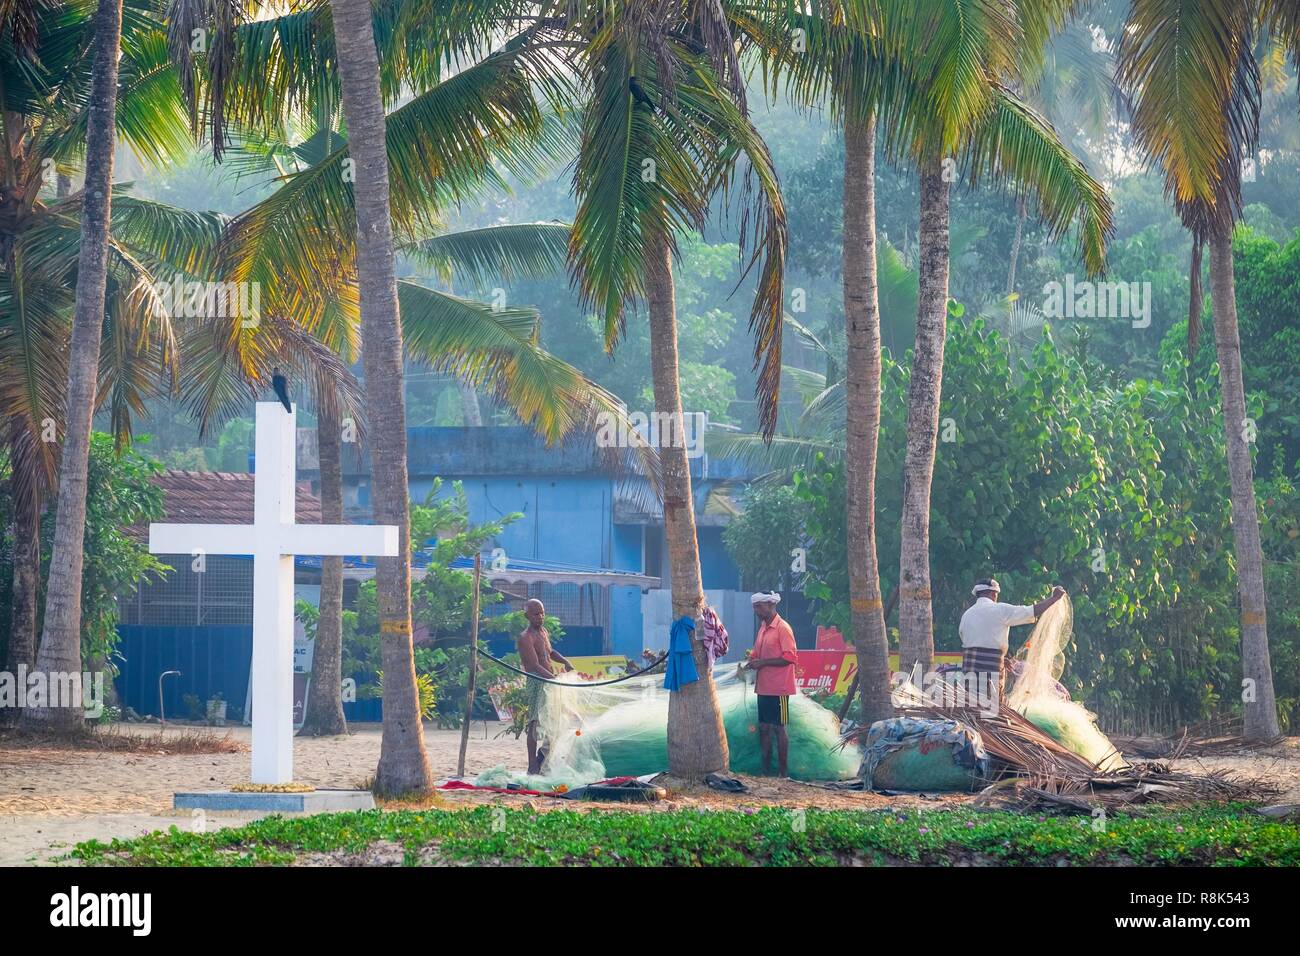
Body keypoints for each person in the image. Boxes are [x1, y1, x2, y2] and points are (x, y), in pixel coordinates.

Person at [959, 577, 1066, 709]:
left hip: (969, 671)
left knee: (972, 708)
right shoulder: (999, 610)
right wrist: (1054, 599)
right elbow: (1031, 611)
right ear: (993, 594)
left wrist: (1001, 659)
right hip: (991, 672)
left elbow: (969, 642)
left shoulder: (967, 615)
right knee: (991, 710)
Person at [745, 591, 798, 777]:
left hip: (779, 687)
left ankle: (783, 772)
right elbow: (756, 652)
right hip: (763, 687)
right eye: (755, 607)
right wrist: (751, 660)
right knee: (764, 728)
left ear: (770, 605)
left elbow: (790, 657)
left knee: (779, 728)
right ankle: (765, 770)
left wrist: (763, 663)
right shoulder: (763, 628)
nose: (756, 610)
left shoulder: (783, 628)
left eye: (759, 606)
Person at [516, 598, 572, 774]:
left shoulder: (543, 632)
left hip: (548, 680)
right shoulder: (525, 637)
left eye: (542, 613)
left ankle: (544, 757)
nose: (540, 617)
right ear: (527, 616)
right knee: (535, 720)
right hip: (537, 681)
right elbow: (534, 665)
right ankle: (532, 763)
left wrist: (565, 662)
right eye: (535, 614)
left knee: (556, 719)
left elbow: (549, 653)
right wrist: (553, 679)